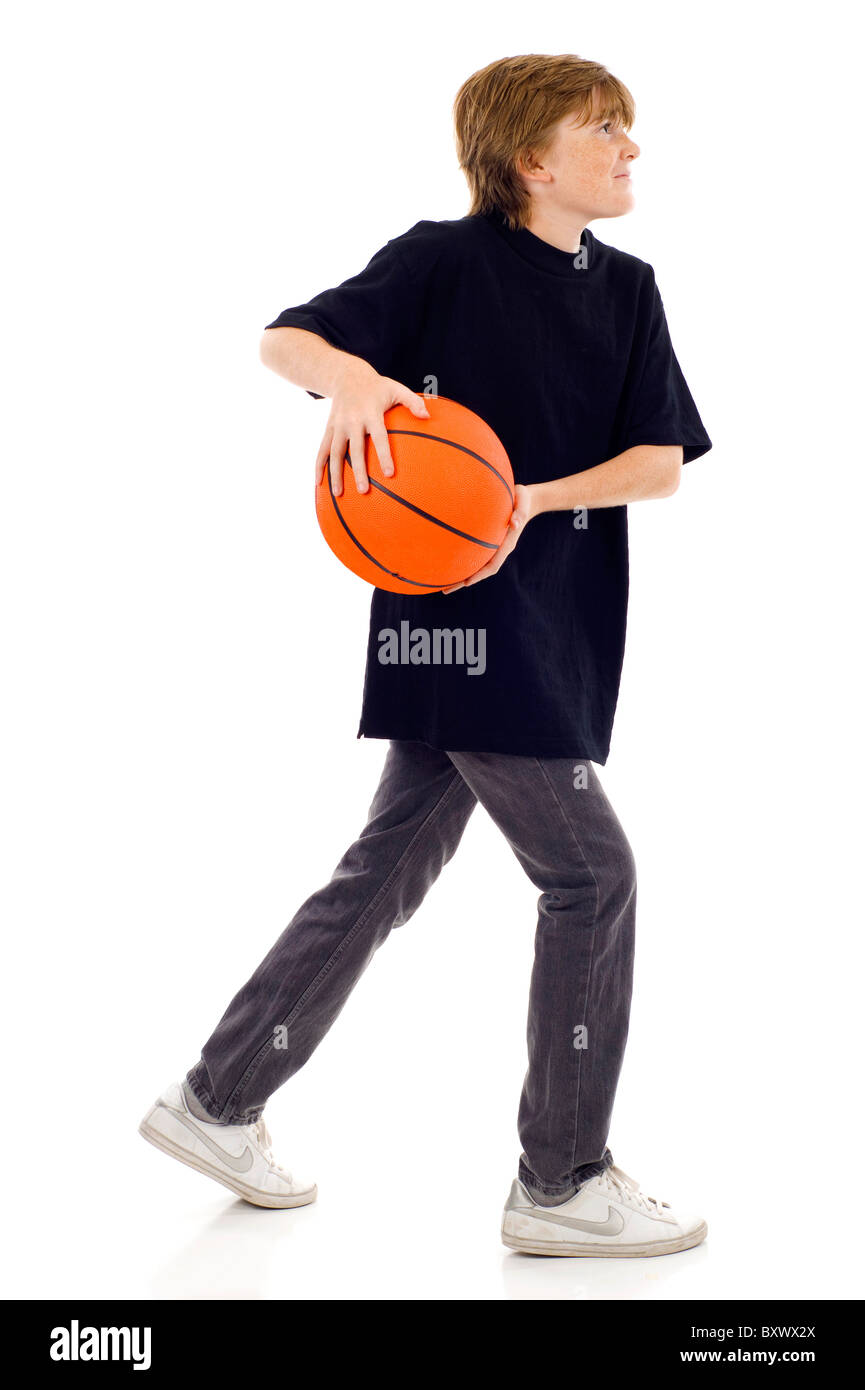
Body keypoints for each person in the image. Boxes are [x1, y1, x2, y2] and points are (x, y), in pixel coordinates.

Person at [140, 52, 712, 1257]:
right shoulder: (440, 260)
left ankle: (218, 1099)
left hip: (554, 622)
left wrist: (524, 495)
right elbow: (285, 340)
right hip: (452, 619)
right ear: (530, 160)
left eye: (627, 127)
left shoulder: (629, 288)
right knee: (591, 876)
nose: (628, 147)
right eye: (600, 128)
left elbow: (658, 462)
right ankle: (560, 1181)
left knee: (386, 868)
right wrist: (350, 378)